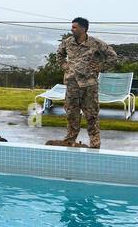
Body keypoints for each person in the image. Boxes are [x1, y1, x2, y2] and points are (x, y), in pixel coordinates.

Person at [47, 17, 118, 149]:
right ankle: (69, 141)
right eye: (72, 27)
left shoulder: (95, 43)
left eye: (74, 27)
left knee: (92, 115)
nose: (72, 29)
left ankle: (95, 144)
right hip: (72, 85)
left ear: (83, 29)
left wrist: (100, 67)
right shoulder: (67, 42)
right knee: (71, 114)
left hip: (89, 86)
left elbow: (113, 56)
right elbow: (59, 55)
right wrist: (65, 66)